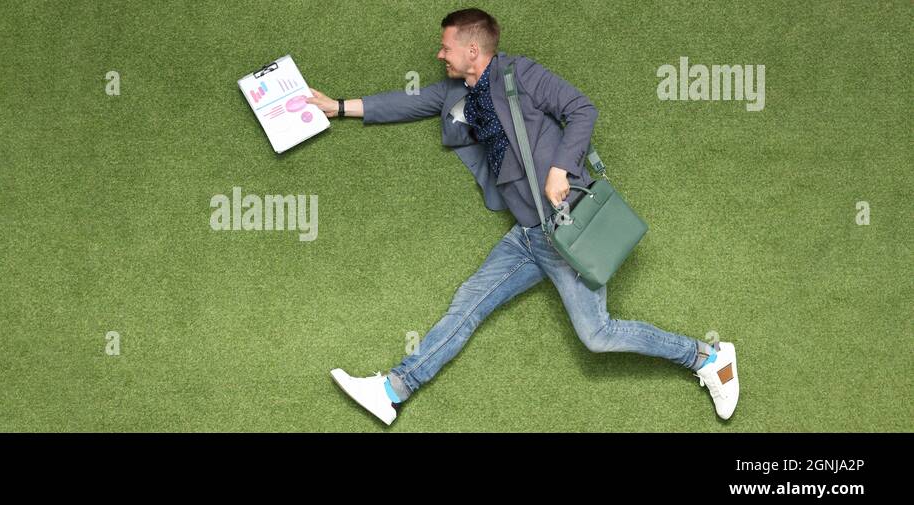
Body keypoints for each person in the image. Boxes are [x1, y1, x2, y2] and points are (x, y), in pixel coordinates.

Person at [310, 8, 739, 426]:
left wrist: (560, 169)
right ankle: (391, 391)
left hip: (566, 224)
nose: (440, 56)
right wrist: (339, 106)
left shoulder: (521, 74)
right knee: (469, 302)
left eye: (445, 48)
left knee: (597, 335)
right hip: (530, 236)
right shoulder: (455, 92)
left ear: (473, 50)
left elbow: (582, 109)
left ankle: (709, 358)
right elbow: (409, 102)